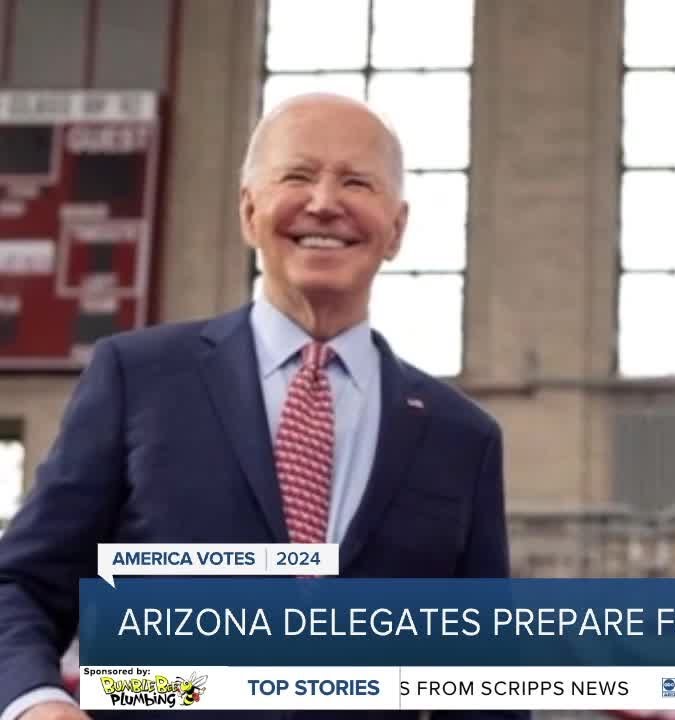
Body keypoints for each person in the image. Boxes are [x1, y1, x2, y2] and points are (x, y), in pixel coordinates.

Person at [0, 93, 525, 720]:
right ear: (249, 212)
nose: (324, 202)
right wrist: (36, 703)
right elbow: (20, 586)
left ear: (397, 228)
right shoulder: (138, 380)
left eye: (357, 182)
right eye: (297, 175)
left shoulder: (461, 438)